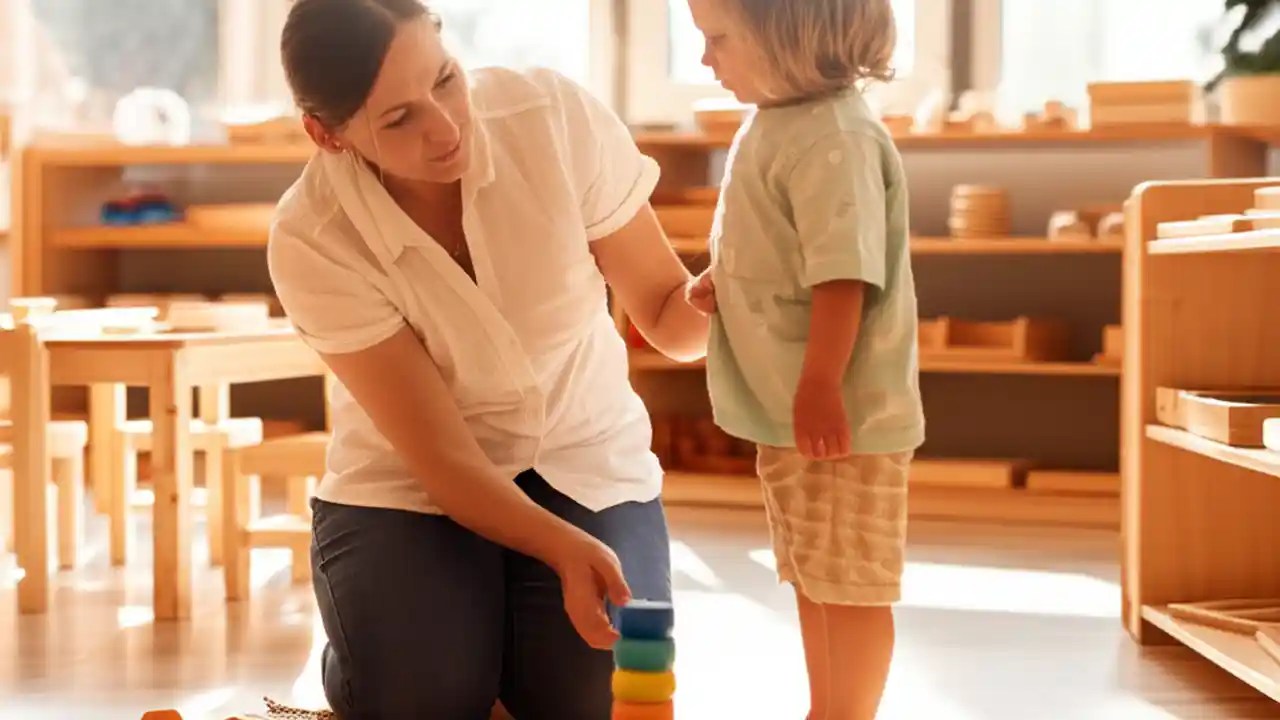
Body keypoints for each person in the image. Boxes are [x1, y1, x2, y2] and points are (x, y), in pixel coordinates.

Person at [268, 0, 709, 717]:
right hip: (411, 490)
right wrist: (565, 551)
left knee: (597, 696)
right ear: (327, 135)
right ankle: (384, 645)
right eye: (399, 118)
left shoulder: (554, 119)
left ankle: (490, 648)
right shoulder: (312, 237)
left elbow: (666, 314)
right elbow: (447, 465)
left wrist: (724, 297)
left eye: (444, 80)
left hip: (584, 462)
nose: (445, 129)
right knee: (423, 697)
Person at [684, 0, 925, 718]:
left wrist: (821, 383)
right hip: (795, 411)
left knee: (851, 582)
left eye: (718, 40)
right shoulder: (775, 119)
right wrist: (719, 277)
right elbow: (778, 238)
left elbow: (843, 273)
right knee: (816, 574)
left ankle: (844, 712)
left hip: (842, 416)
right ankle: (828, 707)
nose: (706, 59)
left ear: (790, 41)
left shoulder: (836, 137)